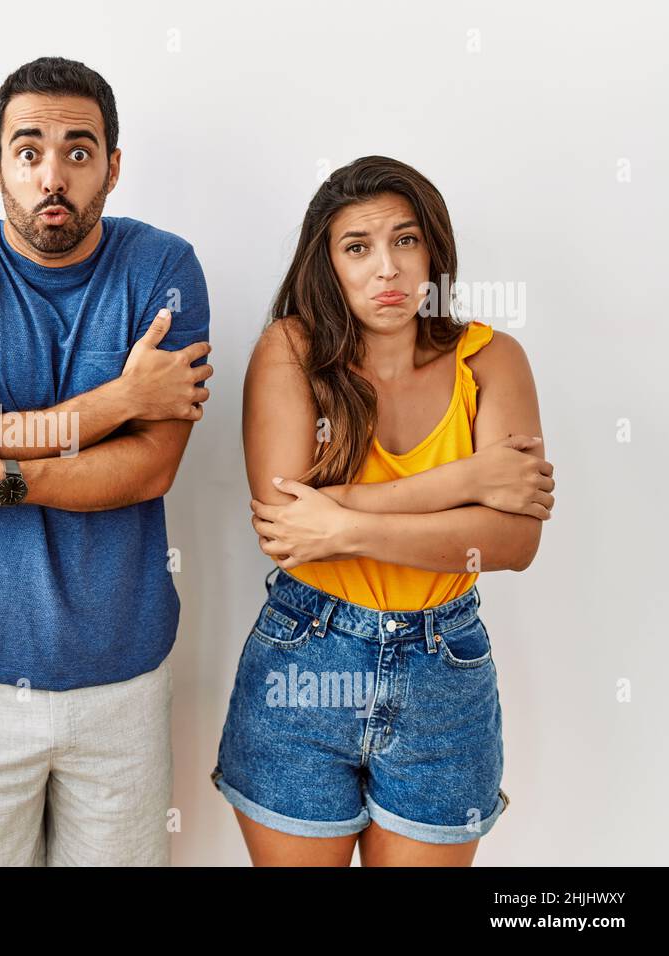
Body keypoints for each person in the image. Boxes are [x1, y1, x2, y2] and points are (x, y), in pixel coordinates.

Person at [0, 57, 213, 865]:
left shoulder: (163, 269)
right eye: (28, 151)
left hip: (123, 678)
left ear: (113, 165)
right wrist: (121, 401)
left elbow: (148, 470)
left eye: (79, 150)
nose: (53, 175)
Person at [212, 155, 555, 865]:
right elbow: (286, 530)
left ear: (434, 248)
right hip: (304, 658)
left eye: (405, 240)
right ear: (329, 264)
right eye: (357, 247)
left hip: (445, 672)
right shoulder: (290, 350)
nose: (387, 269)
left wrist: (348, 525)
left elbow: (512, 542)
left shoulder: (492, 362)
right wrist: (468, 478)